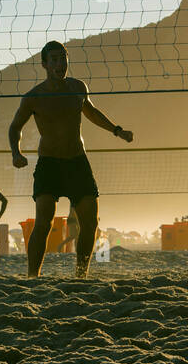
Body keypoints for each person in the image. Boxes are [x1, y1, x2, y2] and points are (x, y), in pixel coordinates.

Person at [8, 41, 132, 277]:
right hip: (49, 164)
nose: (59, 63)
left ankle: (81, 274)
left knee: (91, 223)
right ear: (45, 64)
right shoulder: (34, 97)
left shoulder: (78, 87)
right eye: (54, 59)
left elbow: (92, 112)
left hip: (77, 162)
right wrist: (16, 152)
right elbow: (15, 128)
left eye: (63, 58)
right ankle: (33, 276)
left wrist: (117, 130)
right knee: (43, 223)